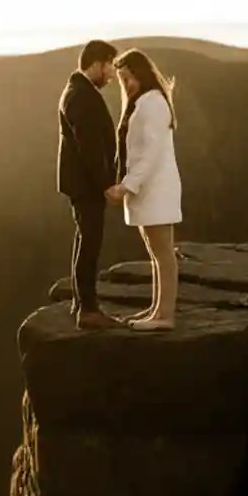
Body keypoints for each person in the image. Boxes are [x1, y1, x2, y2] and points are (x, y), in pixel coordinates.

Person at [105, 49, 181, 331]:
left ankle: (166, 316)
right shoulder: (146, 102)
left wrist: (127, 186)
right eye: (122, 79)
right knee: (156, 251)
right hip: (148, 189)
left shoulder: (154, 104)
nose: (126, 84)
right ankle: (157, 308)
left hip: (155, 189)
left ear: (141, 73)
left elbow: (150, 153)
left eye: (128, 77)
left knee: (163, 252)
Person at [56, 39, 124, 330]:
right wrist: (106, 182)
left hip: (79, 183)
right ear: (96, 63)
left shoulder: (77, 91)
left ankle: (80, 302)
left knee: (84, 239)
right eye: (109, 66)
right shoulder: (82, 96)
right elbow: (89, 145)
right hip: (86, 185)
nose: (111, 74)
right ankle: (89, 310)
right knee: (90, 243)